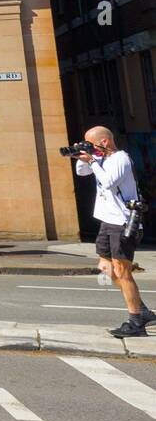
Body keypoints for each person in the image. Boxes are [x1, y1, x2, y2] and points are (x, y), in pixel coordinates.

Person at [73, 127, 156, 338]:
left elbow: (109, 182)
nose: (90, 148)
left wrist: (91, 160)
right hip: (106, 222)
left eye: (91, 144)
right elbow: (81, 173)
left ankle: (136, 322)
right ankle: (143, 310)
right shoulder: (99, 160)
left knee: (122, 271)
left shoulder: (121, 159)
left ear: (104, 142)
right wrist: (82, 157)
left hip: (123, 222)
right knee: (106, 268)